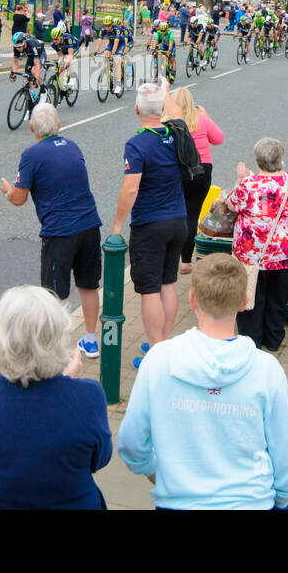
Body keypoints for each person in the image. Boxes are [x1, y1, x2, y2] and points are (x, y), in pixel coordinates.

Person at [116, 253, 288, 510]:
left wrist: (158, 476)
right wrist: (278, 499)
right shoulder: (267, 370)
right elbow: (287, 459)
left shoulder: (159, 360)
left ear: (192, 299)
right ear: (244, 302)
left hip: (178, 501)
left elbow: (131, 443)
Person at [0, 286, 111, 509]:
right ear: (58, 336)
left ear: (1, 336)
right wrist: (68, 384)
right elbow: (100, 460)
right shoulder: (89, 395)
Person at [0, 103, 103, 359]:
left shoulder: (31, 155)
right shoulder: (73, 146)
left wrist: (8, 191)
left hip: (59, 232)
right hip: (89, 225)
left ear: (32, 127)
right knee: (89, 286)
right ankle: (90, 341)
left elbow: (19, 198)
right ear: (58, 125)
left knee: (53, 294)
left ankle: (55, 349)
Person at [110, 79, 187, 364]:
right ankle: (165, 341)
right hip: (178, 220)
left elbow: (130, 188)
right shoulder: (176, 132)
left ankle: (156, 351)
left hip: (150, 225)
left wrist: (117, 224)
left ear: (136, 109)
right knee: (168, 283)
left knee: (149, 289)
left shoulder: (137, 143)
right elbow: (177, 113)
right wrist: (166, 94)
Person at [227, 139, 288, 352]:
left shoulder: (248, 185)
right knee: (277, 300)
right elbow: (269, 193)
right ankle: (274, 339)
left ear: (257, 160)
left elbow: (232, 205)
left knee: (250, 301)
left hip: (252, 254)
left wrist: (241, 179)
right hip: (283, 253)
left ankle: (252, 342)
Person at [171, 87, 225, 274]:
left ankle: (169, 258)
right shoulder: (200, 119)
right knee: (192, 214)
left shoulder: (168, 122)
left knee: (174, 213)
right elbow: (218, 139)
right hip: (201, 170)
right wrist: (207, 117)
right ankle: (186, 262)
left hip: (177, 169)